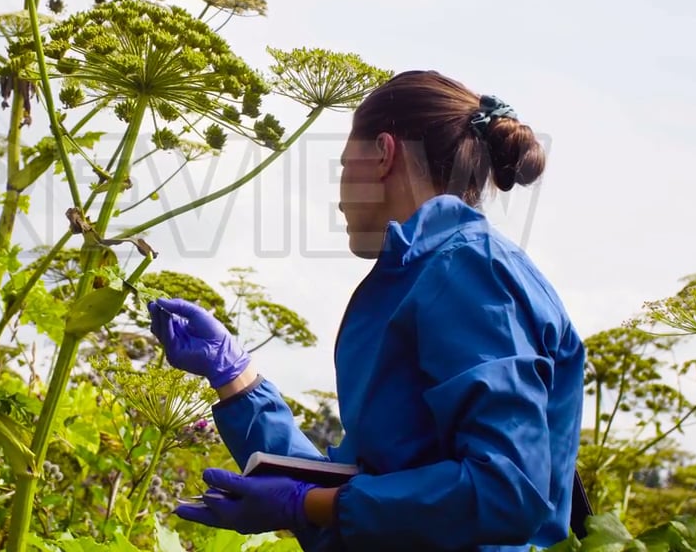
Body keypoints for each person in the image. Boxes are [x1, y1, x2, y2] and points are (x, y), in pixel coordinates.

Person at [149, 70, 586, 551]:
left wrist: (306, 505)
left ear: (383, 153)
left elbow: (508, 490)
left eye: (342, 165)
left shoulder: (470, 272)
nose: (339, 198)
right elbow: (362, 490)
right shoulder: (422, 272)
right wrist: (236, 380)